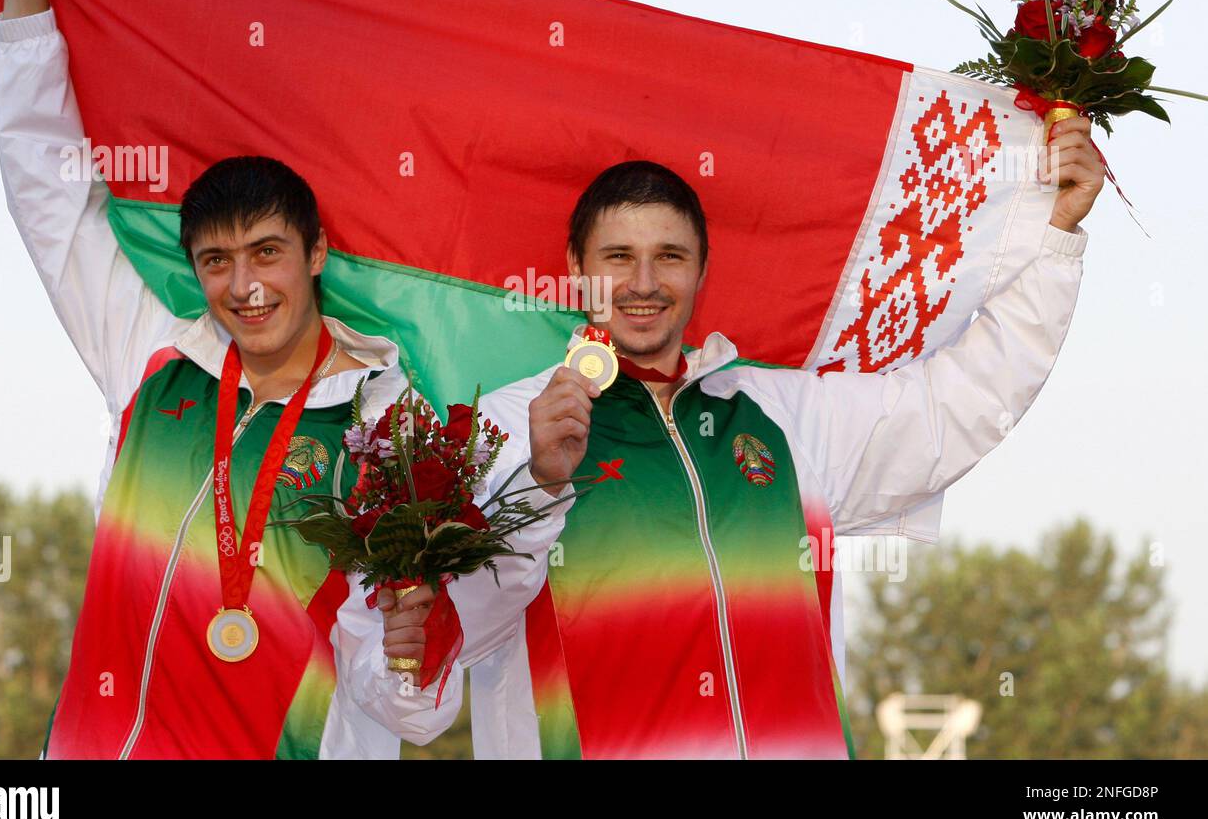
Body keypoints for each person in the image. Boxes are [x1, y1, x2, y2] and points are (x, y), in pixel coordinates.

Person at [0, 0, 457, 759]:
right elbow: (48, 196)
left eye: (267, 254)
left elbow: (405, 702)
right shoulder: (155, 359)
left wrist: (412, 654)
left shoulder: (389, 426)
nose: (244, 285)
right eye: (216, 261)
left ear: (315, 255)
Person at [450, 150, 1099, 759]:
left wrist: (1055, 239)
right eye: (618, 256)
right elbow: (446, 640)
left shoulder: (780, 414)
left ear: (702, 267)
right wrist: (536, 481)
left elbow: (955, 404)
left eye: (670, 256)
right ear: (574, 266)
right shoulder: (501, 430)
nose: (643, 282)